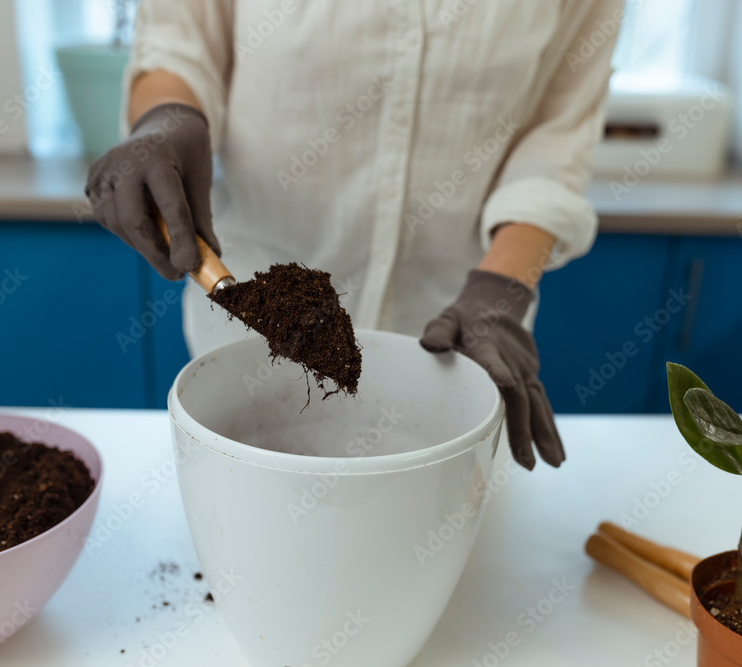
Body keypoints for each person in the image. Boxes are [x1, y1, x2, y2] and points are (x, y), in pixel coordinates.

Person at [85, 0, 621, 471]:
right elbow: (178, 47)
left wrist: (500, 288)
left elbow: (557, 133)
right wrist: (165, 120)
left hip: (457, 341)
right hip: (252, 343)